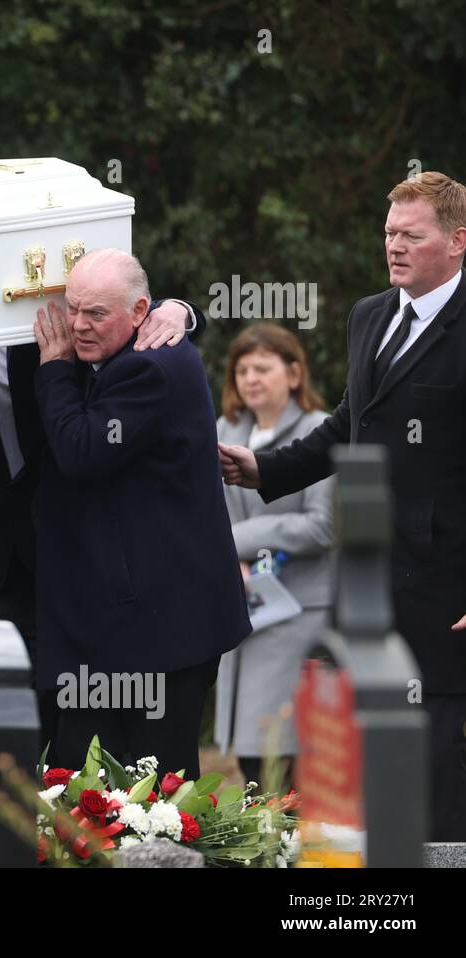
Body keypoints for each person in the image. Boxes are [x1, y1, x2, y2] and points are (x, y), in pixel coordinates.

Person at [219, 171, 466, 839]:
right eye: (389, 234)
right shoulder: (369, 315)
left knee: (438, 756)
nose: (394, 247)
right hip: (361, 574)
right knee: (351, 750)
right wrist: (263, 468)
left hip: (443, 578)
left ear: (457, 241)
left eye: (411, 235)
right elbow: (346, 426)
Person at [0, 297, 202, 748]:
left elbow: (126, 308)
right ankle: (21, 810)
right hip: (8, 543)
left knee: (78, 714)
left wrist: (180, 309)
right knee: (9, 703)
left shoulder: (62, 310)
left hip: (81, 545)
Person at [32, 248, 250, 776]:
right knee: (94, 778)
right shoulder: (131, 347)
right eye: (72, 308)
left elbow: (81, 449)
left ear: (139, 313)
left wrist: (54, 368)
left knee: (156, 785)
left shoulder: (149, 368)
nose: (77, 326)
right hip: (136, 622)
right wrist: (185, 308)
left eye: (95, 314)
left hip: (164, 628)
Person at [213, 323, 335, 790]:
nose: (250, 378)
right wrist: (230, 559)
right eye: (242, 369)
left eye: (262, 367)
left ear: (295, 373)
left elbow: (322, 526)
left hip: (299, 614)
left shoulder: (317, 431)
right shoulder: (225, 431)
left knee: (284, 759)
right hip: (242, 606)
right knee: (250, 764)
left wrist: (236, 540)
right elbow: (212, 515)